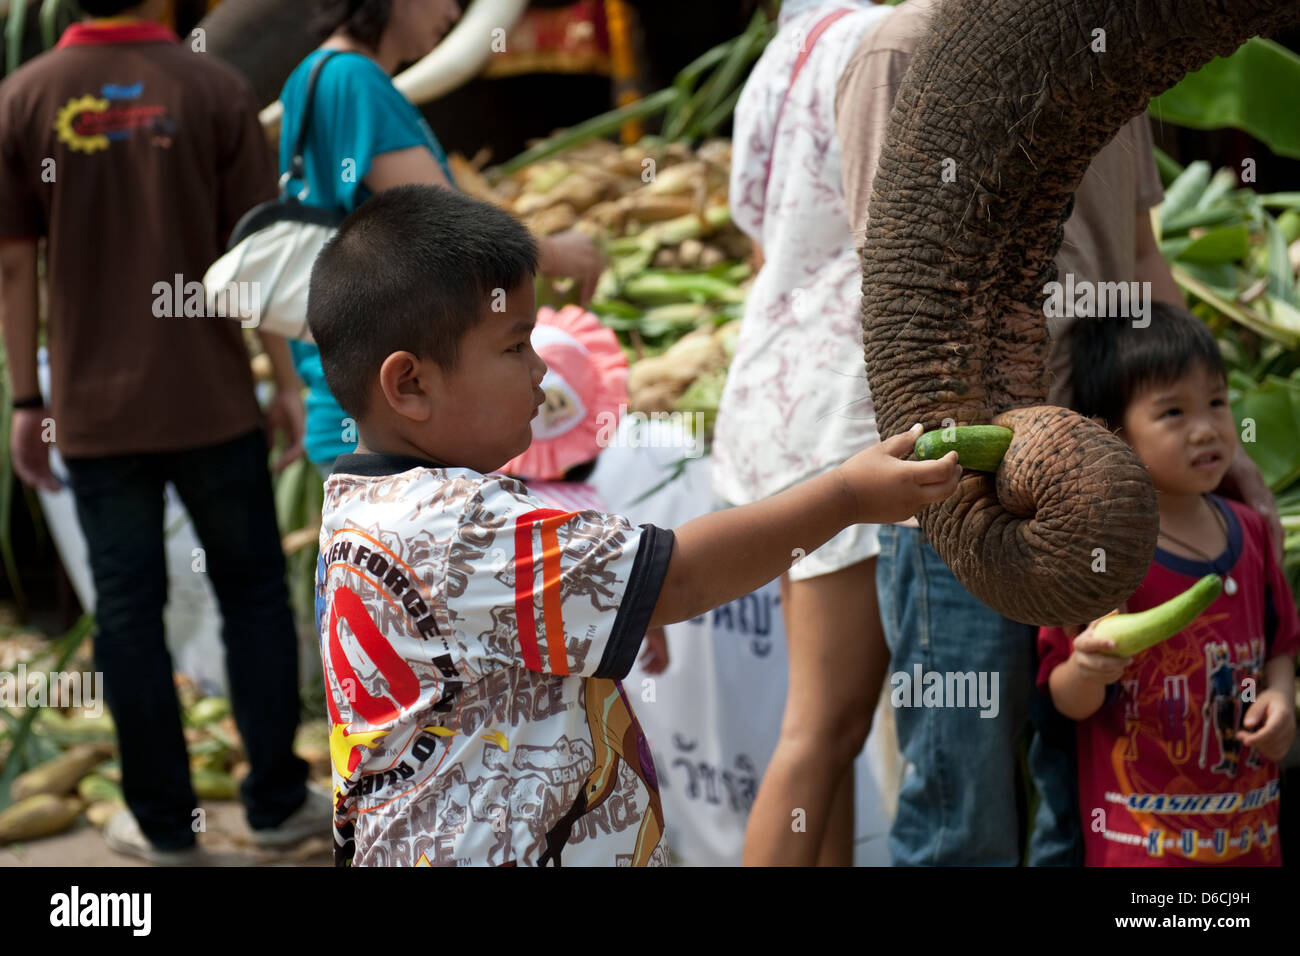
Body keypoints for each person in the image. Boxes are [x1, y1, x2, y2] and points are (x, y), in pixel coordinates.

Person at [308, 184, 963, 866]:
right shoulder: (459, 527)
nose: (540, 371)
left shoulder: (363, 507)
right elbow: (680, 578)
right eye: (515, 346)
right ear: (410, 385)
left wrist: (605, 603)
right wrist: (847, 497)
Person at [834, 0, 1284, 866]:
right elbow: (901, 279)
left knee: (1084, 783)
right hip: (968, 490)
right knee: (964, 793)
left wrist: (1216, 436)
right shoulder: (896, 52)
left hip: (1113, 484)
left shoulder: (1106, 35)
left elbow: (1145, 262)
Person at [0, 0, 327, 863]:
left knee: (127, 616)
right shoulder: (213, 88)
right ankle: (276, 805)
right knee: (252, 596)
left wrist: (27, 402)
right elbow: (260, 255)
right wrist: (285, 383)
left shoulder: (23, 97)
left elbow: (11, 263)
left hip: (95, 412)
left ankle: (161, 826)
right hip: (212, 401)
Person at [714, 0, 897, 866]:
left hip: (771, 395)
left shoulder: (777, 60)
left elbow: (753, 230)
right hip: (844, 411)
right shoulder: (886, 41)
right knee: (824, 728)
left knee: (826, 728)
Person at [280, 0, 606, 479]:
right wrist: (558, 254)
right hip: (399, 417)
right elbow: (455, 237)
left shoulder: (310, 75)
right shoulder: (354, 79)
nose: (454, 12)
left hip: (358, 403)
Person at [1039, 304, 1297, 865]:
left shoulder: (1251, 532)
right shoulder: (1099, 556)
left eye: (1217, 403)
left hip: (1250, 841)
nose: (1206, 427)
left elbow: (1280, 646)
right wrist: (1086, 669)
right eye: (1173, 412)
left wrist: (1280, 699)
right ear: (1113, 435)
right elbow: (1064, 697)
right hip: (1141, 852)